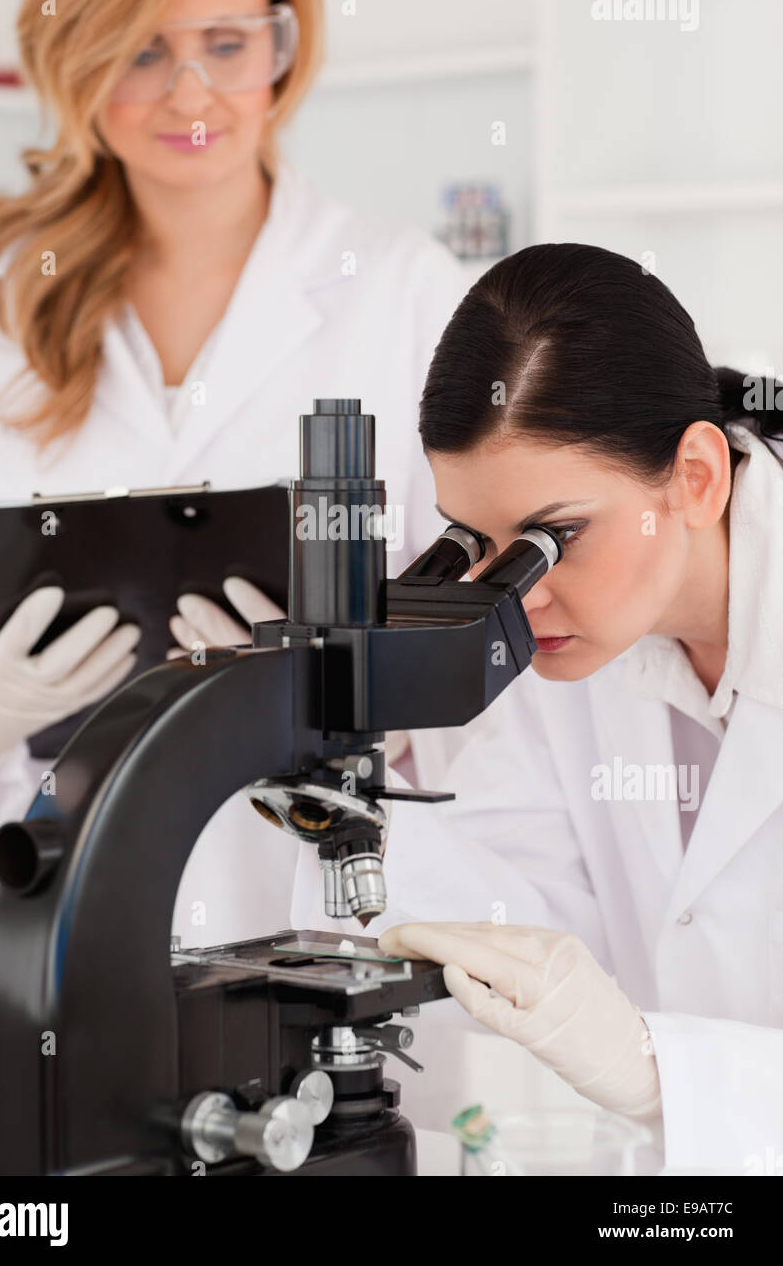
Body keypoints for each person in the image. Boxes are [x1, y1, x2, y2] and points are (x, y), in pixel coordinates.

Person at [0, 0, 467, 1047]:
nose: (193, 92)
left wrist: (352, 686)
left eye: (227, 43)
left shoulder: (409, 294)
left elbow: (496, 629)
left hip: (323, 925)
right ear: (72, 64)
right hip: (53, 930)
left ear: (284, 43)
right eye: (139, 53)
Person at [291, 242, 783, 1170]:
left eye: (552, 541)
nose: (514, 592)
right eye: (473, 543)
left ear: (697, 477)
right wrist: (339, 762)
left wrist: (657, 1071)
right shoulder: (558, 645)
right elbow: (512, 907)